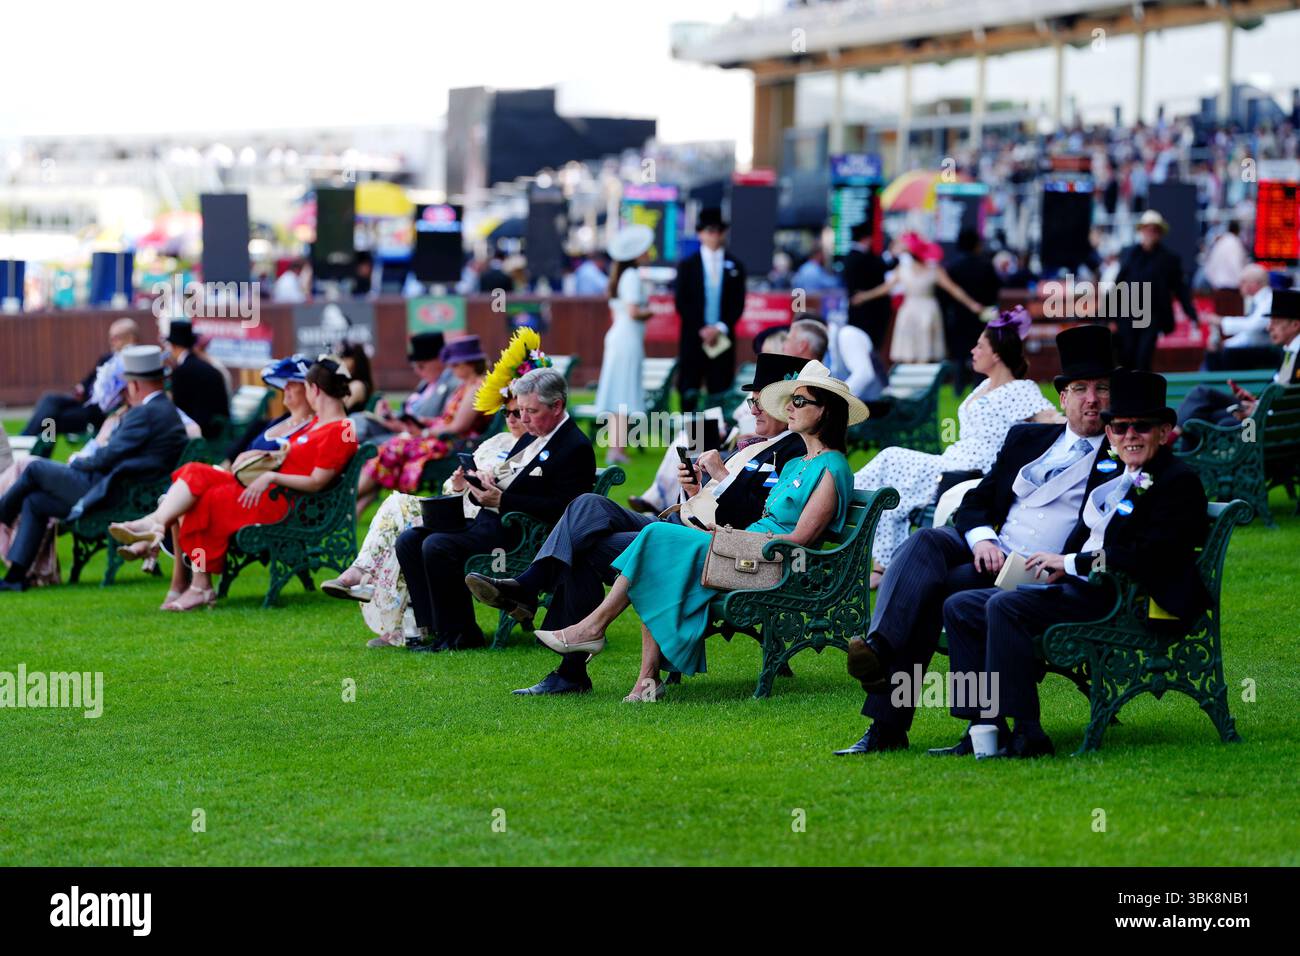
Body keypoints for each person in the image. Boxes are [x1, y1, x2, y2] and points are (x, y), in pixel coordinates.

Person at [833, 324, 1115, 755]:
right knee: (927, 542)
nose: (1091, 399)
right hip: (989, 549)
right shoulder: (1030, 439)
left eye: (1101, 389)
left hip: (1038, 568)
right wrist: (982, 537)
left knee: (934, 594)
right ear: (1063, 397)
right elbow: (978, 501)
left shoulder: (1121, 456)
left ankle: (910, 725)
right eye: (1080, 388)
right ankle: (881, 645)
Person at [468, 353, 812, 695]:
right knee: (588, 505)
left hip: (704, 543)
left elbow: (756, 520)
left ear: (784, 405)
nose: (751, 409)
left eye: (759, 403)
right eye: (750, 401)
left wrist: (720, 476)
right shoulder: (757, 445)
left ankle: (562, 657)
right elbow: (720, 502)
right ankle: (533, 594)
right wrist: (696, 487)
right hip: (682, 522)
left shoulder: (792, 452)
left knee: (587, 548)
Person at [531, 360, 860, 702]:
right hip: (743, 546)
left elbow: (800, 540)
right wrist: (710, 511)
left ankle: (596, 632)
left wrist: (735, 538)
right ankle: (635, 669)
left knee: (655, 539)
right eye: (791, 400)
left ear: (825, 412)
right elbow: (760, 514)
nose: (790, 407)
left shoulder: (832, 465)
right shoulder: (796, 463)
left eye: (801, 401)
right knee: (650, 541)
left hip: (769, 563)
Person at [940, 369, 1209, 758]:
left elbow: (1148, 556)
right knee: (960, 605)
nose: (1129, 436)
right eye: (1119, 428)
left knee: (1004, 605)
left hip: (1125, 598)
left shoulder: (1176, 481)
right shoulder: (1120, 474)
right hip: (1087, 587)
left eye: (1142, 427)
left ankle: (1028, 732)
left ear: (1165, 431)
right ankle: (984, 723)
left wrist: (1070, 563)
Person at [320, 328, 551, 647]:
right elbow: (451, 489)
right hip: (459, 510)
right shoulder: (497, 440)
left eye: (520, 412)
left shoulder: (533, 445)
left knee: (400, 510)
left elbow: (527, 490)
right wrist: (458, 482)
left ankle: (367, 582)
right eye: (507, 412)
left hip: (484, 520)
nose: (513, 418)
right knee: (403, 529)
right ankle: (403, 621)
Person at [107, 358, 359, 611]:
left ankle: (199, 585)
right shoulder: (316, 424)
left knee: (202, 501)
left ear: (314, 389)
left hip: (283, 503)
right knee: (193, 471)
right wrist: (263, 457)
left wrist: (272, 476)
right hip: (265, 491)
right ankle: (158, 524)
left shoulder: (342, 428)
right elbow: (292, 456)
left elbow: (317, 482)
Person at [393, 367, 595, 652]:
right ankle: (437, 630)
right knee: (410, 539)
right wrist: (482, 483)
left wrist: (502, 501)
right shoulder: (531, 436)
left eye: (531, 411)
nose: (523, 419)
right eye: (519, 410)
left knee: (437, 546)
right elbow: (511, 479)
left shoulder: (574, 446)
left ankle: (462, 635)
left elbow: (567, 508)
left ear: (557, 405)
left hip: (524, 536)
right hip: (491, 523)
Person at [852, 307, 1057, 583]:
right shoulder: (982, 387)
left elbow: (1051, 417)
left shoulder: (1020, 389)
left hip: (973, 469)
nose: (973, 351)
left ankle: (840, 499)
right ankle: (874, 548)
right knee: (890, 477)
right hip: (954, 459)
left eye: (979, 346)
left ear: (996, 354)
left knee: (891, 458)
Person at [0, 346, 188, 593]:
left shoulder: (146, 413)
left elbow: (107, 456)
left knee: (34, 468)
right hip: (121, 487)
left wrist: (76, 462)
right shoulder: (164, 410)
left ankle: (2, 514)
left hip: (109, 491)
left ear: (134, 385)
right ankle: (16, 577)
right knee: (36, 500)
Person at [116, 354, 318, 574]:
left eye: (293, 384)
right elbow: (240, 453)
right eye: (285, 384)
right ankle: (161, 539)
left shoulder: (311, 429)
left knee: (193, 489)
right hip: (242, 482)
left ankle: (156, 539)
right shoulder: (274, 423)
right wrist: (237, 462)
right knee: (190, 475)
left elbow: (299, 469)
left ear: (309, 389)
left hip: (265, 495)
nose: (285, 389)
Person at [355, 336, 489, 509]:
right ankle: (352, 508)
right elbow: (450, 421)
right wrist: (425, 422)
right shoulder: (468, 386)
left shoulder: (476, 387)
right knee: (390, 452)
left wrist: (425, 432)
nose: (451, 369)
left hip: (455, 445)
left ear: (469, 364)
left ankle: (347, 499)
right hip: (448, 441)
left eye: (455, 365)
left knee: (392, 449)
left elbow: (458, 427)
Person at [1176, 288, 1300, 430]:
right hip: (1262, 419)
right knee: (1202, 406)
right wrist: (1255, 401)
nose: (1269, 328)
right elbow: (1280, 393)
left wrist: (1258, 411)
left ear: (1295, 325)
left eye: (1276, 322)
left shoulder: (1294, 356)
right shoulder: (1289, 353)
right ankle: (1174, 436)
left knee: (1222, 423)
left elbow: (1290, 407)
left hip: (1266, 430)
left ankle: (1168, 442)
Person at [853, 233, 986, 364]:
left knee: (926, 353)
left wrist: (972, 304)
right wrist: (865, 296)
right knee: (907, 354)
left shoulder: (934, 269)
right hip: (909, 312)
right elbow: (885, 288)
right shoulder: (903, 269)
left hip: (928, 312)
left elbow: (953, 289)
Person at [21, 317, 138, 447]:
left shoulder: (132, 363)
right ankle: (26, 446)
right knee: (49, 400)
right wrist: (81, 387)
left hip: (96, 414)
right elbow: (87, 380)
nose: (111, 341)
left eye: (116, 337)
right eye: (110, 337)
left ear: (131, 338)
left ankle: (24, 444)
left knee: (49, 421)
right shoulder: (106, 358)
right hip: (82, 402)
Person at [592, 225, 655, 466]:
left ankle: (617, 448)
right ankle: (616, 449)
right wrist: (649, 312)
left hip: (623, 337)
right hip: (627, 338)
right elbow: (633, 311)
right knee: (623, 393)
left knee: (621, 393)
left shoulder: (622, 276)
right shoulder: (631, 277)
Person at [674, 207, 747, 411]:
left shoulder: (735, 266)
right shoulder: (687, 266)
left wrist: (720, 327)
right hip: (693, 338)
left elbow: (737, 303)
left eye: (717, 230)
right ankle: (689, 440)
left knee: (719, 391)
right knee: (689, 390)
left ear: (723, 233)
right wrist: (702, 328)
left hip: (722, 340)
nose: (713, 235)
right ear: (700, 233)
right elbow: (682, 302)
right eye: (708, 230)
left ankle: (717, 440)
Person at [1114, 210, 1198, 371]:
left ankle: (1143, 393)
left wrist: (1191, 312)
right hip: (1127, 314)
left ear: (1159, 233)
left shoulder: (1169, 259)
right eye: (1147, 229)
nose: (1150, 233)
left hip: (1152, 315)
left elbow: (1180, 288)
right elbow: (1119, 284)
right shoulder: (1129, 254)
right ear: (1141, 231)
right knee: (1126, 356)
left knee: (1143, 358)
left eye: (1154, 229)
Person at [349, 332, 452, 446]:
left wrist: (404, 426)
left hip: (416, 437)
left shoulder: (451, 384)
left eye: (421, 366)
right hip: (400, 430)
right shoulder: (425, 384)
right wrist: (390, 415)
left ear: (440, 360)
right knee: (356, 420)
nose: (417, 371)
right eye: (415, 366)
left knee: (363, 437)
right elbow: (408, 412)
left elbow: (441, 422)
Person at [940, 228, 1002, 392]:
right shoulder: (986, 265)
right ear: (976, 244)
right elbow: (995, 290)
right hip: (981, 316)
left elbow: (945, 296)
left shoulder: (952, 267)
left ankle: (958, 386)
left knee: (960, 355)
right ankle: (978, 384)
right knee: (982, 350)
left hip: (959, 317)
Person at [1201, 265, 1276, 370]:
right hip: (1255, 349)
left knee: (1220, 356)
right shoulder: (1257, 301)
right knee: (1213, 353)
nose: (1239, 285)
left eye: (1243, 281)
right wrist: (1224, 344)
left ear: (1254, 284)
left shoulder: (1269, 300)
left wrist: (1221, 321)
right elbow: (1249, 335)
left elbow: (1253, 326)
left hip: (1266, 351)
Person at [163, 320, 229, 440]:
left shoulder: (182, 371)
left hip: (201, 431)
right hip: (218, 428)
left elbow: (179, 408)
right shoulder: (206, 366)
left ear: (174, 346)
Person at [841, 221, 891, 347]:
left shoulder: (850, 257)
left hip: (857, 312)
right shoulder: (865, 259)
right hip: (870, 313)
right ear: (866, 239)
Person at [1202, 221, 1249, 291]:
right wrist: (1242, 283)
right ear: (1238, 231)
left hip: (1218, 288)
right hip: (1231, 289)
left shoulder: (1220, 242)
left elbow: (1209, 266)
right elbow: (1235, 264)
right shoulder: (1235, 243)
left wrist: (1214, 282)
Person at [336, 342, 375, 412]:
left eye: (343, 358)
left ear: (354, 360)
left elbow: (339, 409)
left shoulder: (357, 385)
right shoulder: (347, 381)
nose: (339, 362)